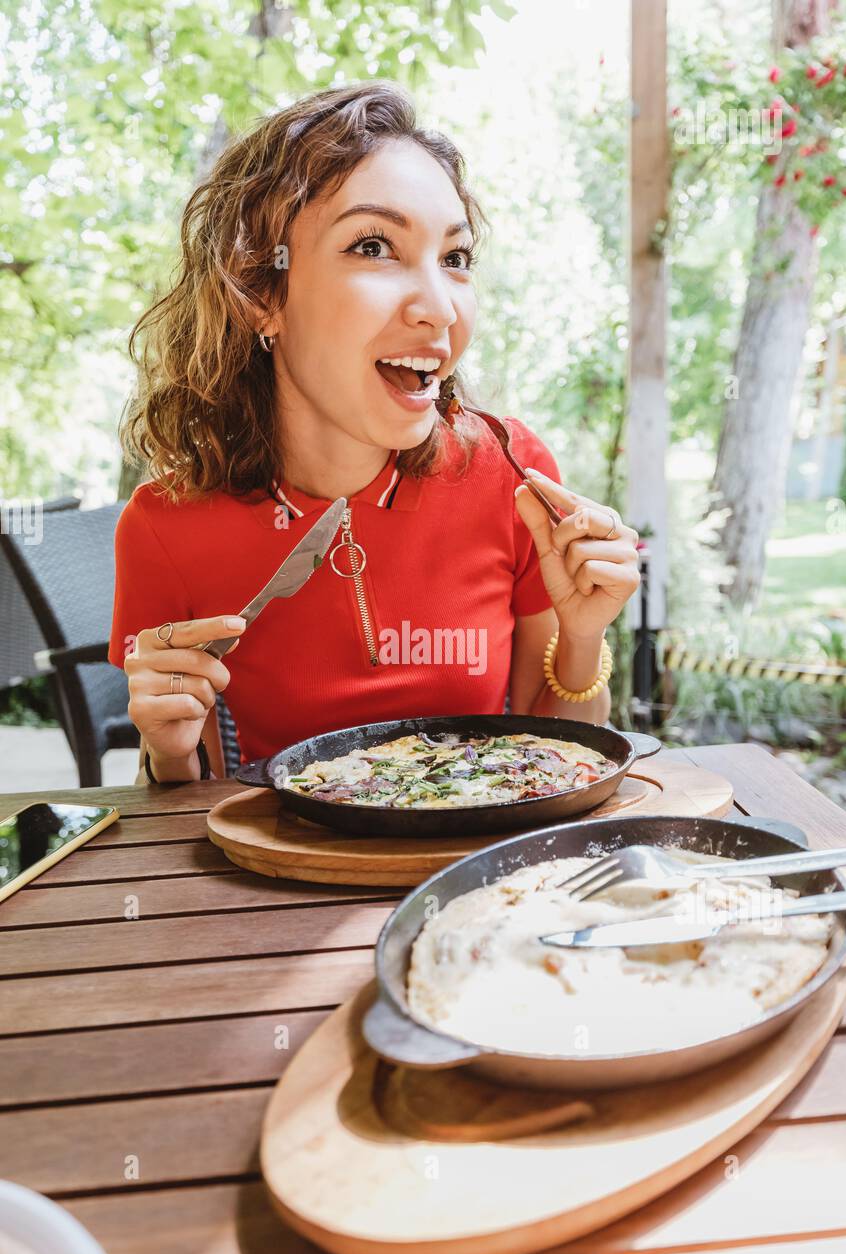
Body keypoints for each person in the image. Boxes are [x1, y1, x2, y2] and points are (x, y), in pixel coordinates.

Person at [109, 81, 640, 782]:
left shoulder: (512, 476)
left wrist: (581, 634)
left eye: (454, 258)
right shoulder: (163, 529)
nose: (440, 308)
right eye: (373, 246)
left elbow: (556, 764)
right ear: (262, 294)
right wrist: (167, 750)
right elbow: (191, 809)